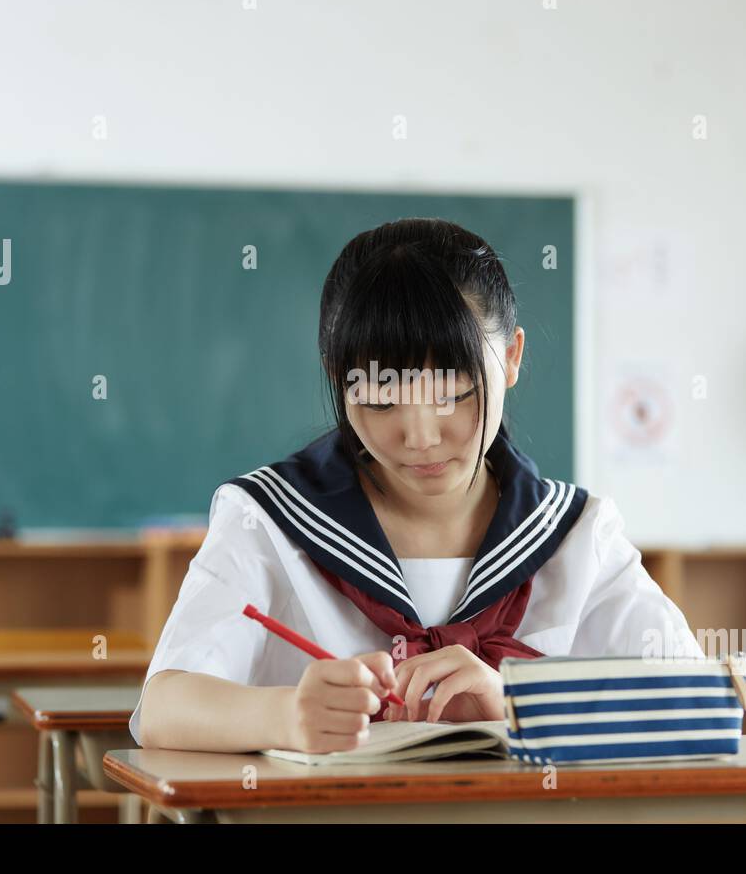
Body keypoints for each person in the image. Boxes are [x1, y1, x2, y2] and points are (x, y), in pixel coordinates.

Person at [133, 217, 702, 754]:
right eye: (381, 397)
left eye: (453, 390)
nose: (421, 435)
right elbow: (163, 707)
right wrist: (285, 716)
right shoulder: (271, 518)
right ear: (338, 378)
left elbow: (699, 705)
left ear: (510, 358)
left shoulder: (574, 533)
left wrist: (519, 702)